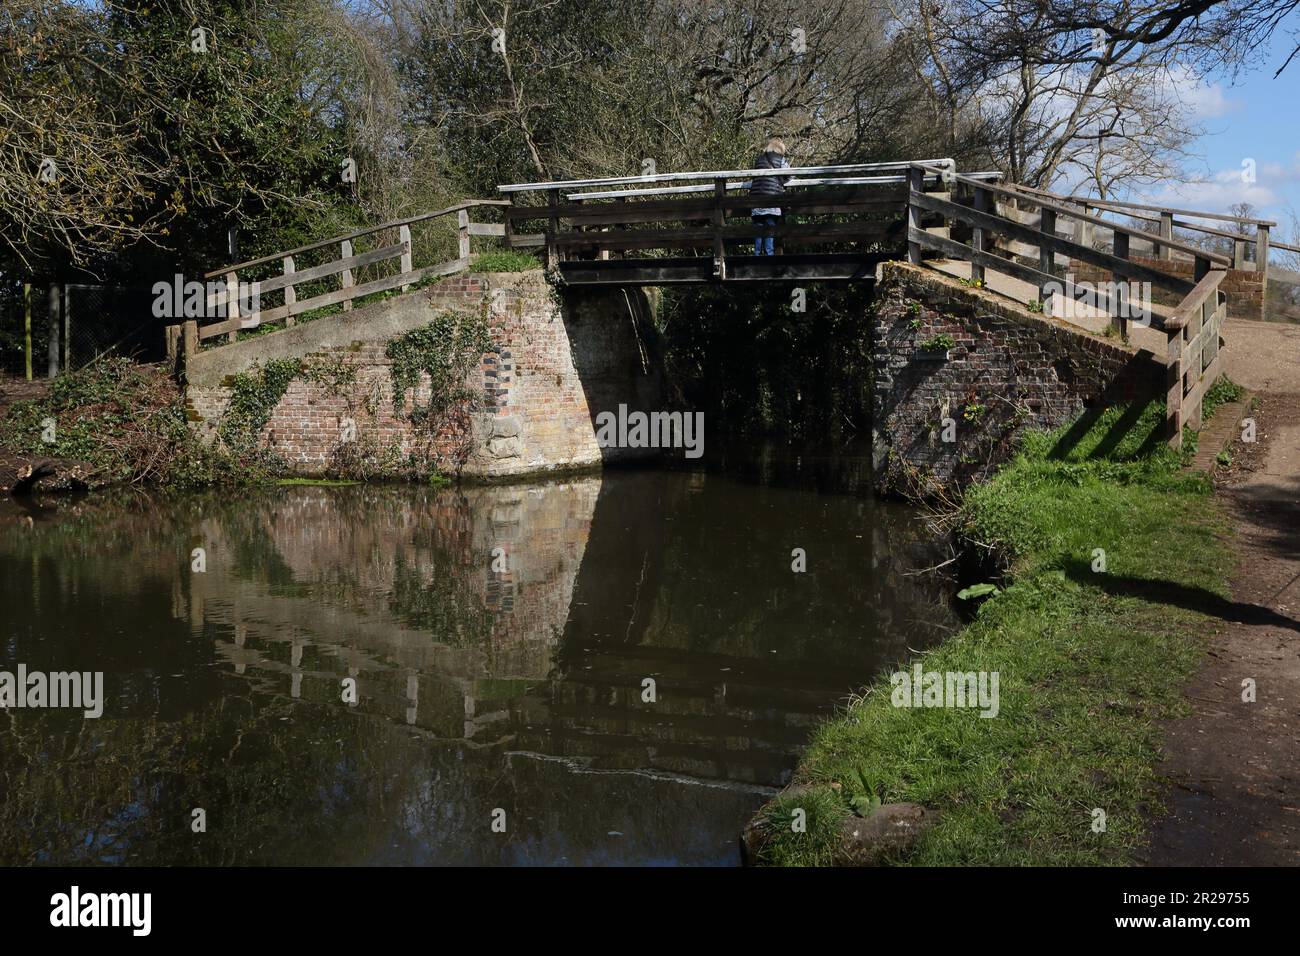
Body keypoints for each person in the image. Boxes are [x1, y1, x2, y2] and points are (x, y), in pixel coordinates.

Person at [750, 138, 791, 256]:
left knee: (758, 234)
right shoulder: (780, 159)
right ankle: (769, 260)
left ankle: (756, 259)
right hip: (772, 202)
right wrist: (782, 181)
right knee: (769, 234)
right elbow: (790, 173)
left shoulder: (759, 159)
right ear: (780, 148)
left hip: (756, 202)